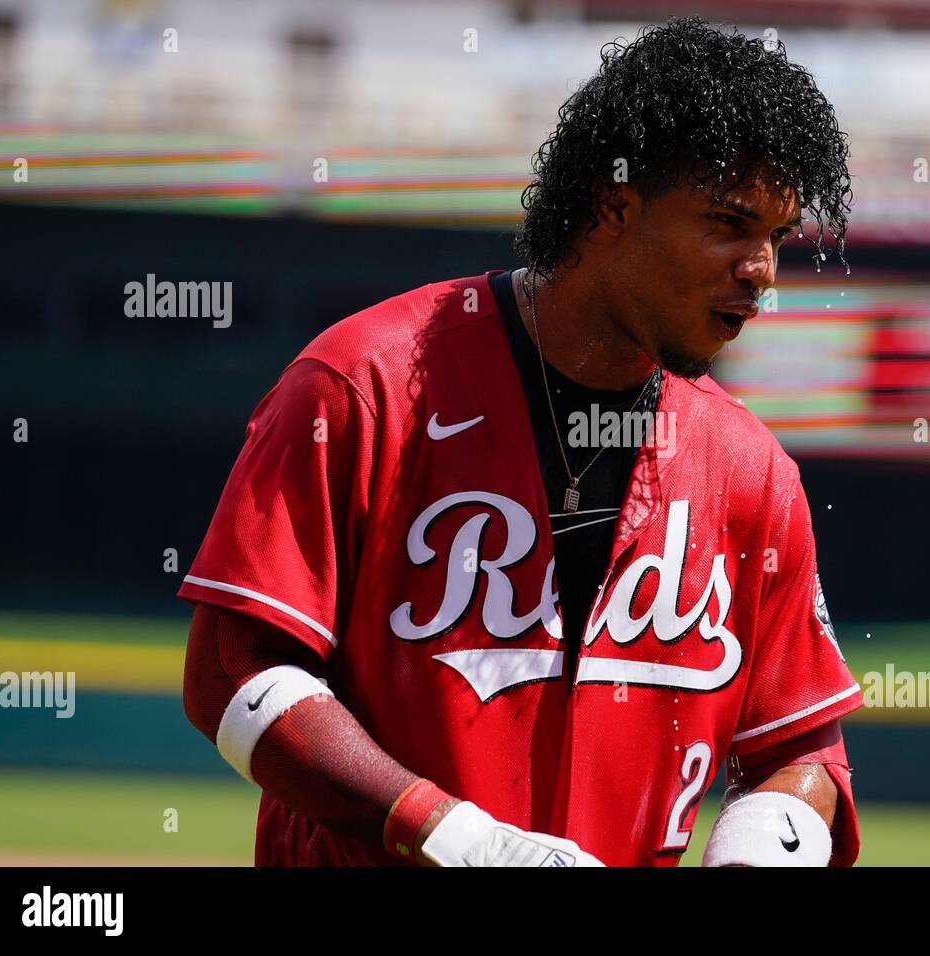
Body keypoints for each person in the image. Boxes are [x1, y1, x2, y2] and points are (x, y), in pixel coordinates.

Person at [180, 15, 861, 867]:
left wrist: (759, 849)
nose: (760, 269)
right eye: (729, 222)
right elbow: (230, 673)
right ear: (613, 205)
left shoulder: (751, 470)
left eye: (777, 236)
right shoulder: (363, 386)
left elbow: (799, 753)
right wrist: (456, 838)